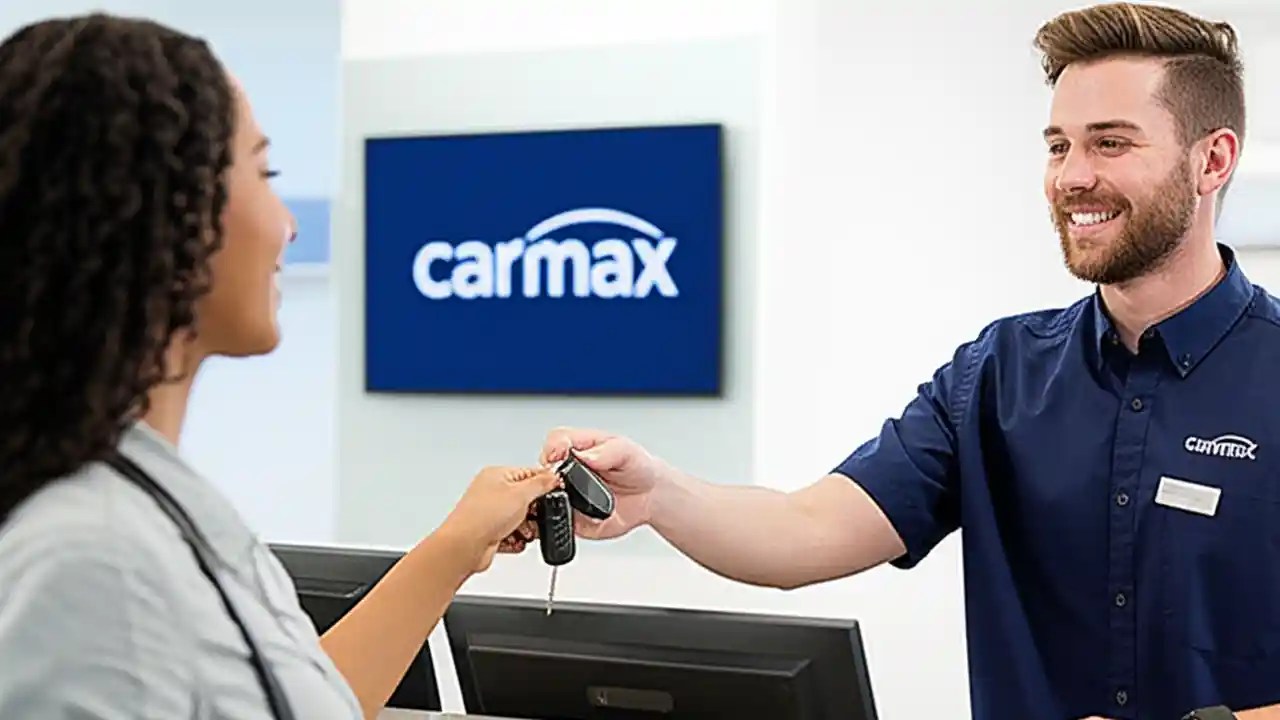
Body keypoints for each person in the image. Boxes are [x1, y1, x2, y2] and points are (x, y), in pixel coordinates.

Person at [539, 3, 1280, 719]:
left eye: (1110, 143)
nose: (1071, 177)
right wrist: (657, 496)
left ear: (1212, 159)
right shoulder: (999, 374)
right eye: (1058, 145)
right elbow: (807, 530)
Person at [0, 14, 558, 720]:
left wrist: (454, 547)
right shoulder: (93, 565)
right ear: (166, 211)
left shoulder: (140, 512)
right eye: (264, 173)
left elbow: (300, 704)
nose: (287, 224)